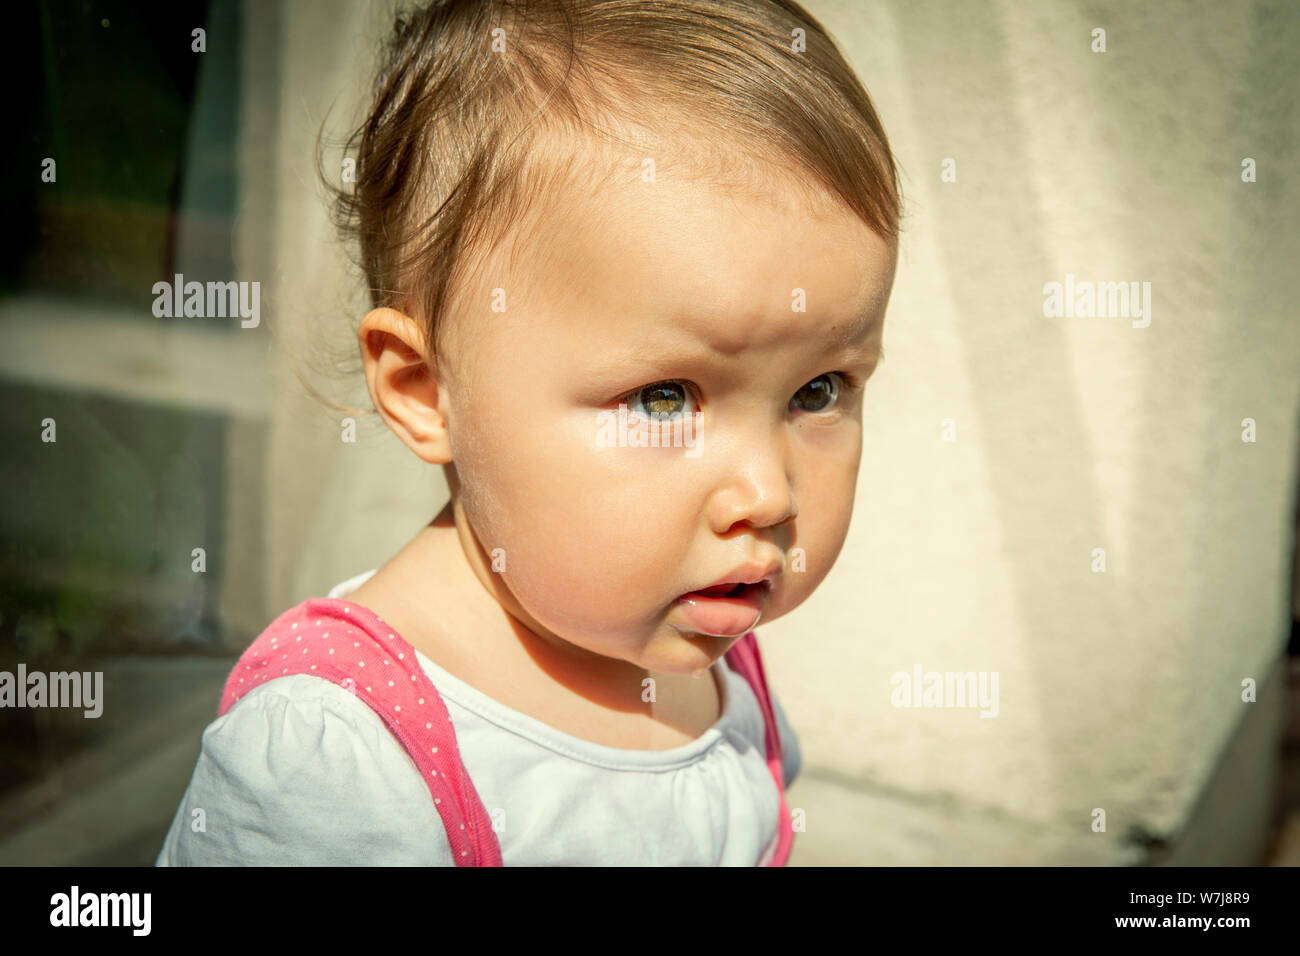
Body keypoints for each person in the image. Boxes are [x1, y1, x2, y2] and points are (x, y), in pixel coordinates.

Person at [157, 0, 901, 866]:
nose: (767, 494)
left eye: (817, 390)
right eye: (664, 399)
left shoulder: (716, 669)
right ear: (425, 390)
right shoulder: (343, 760)